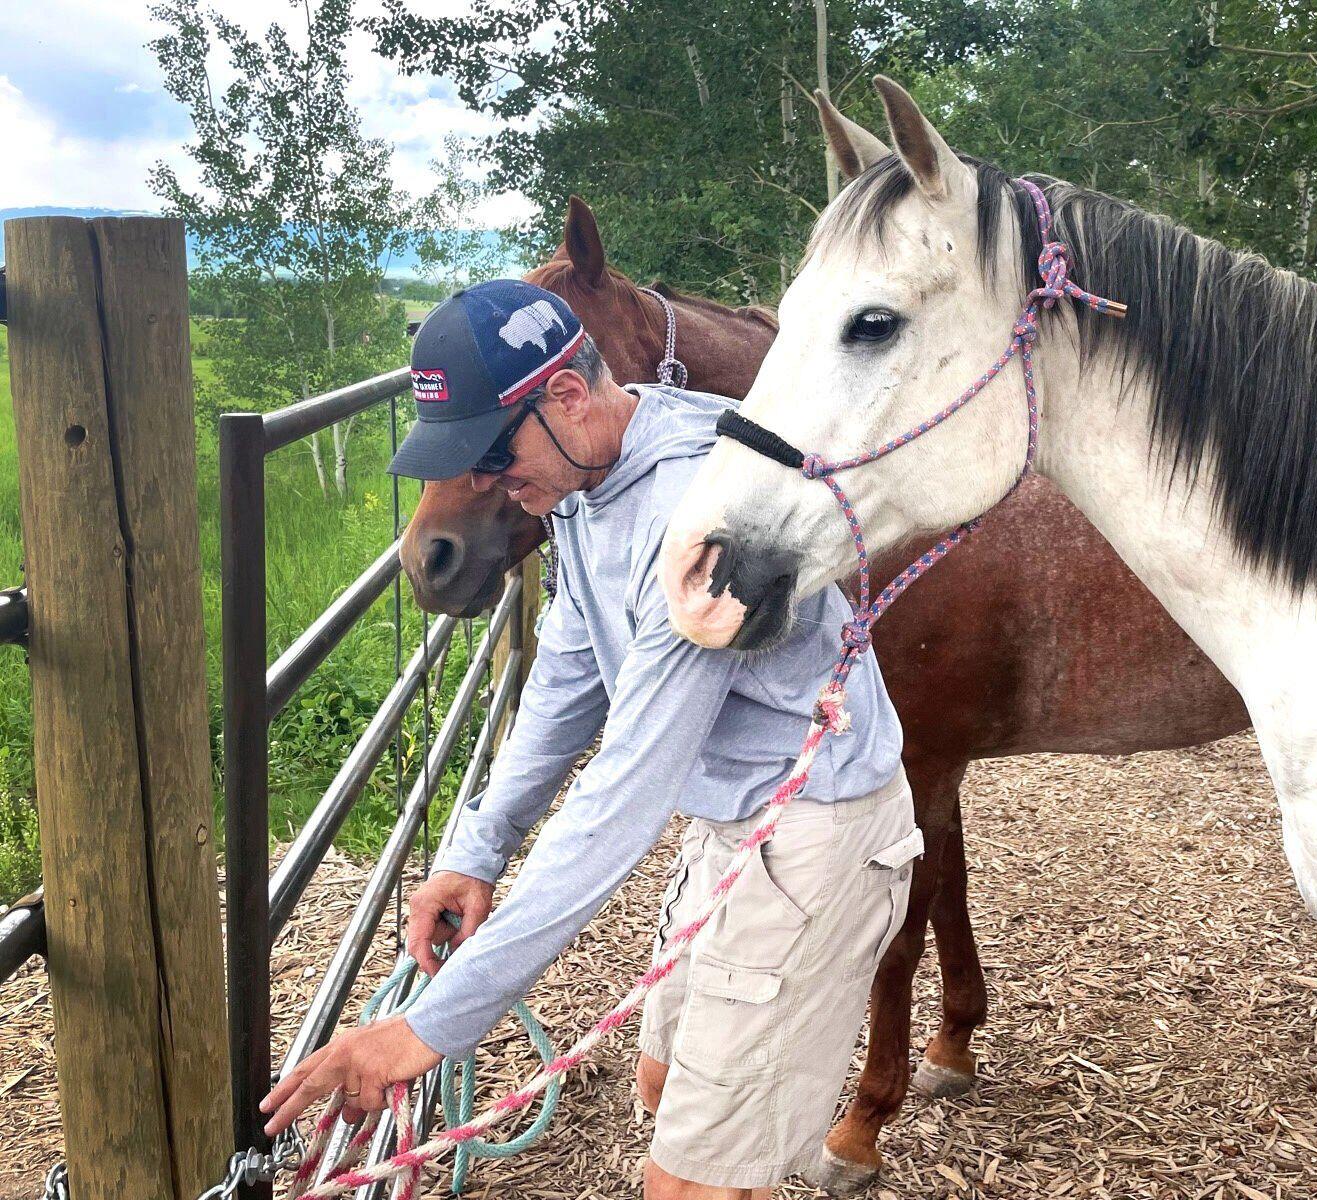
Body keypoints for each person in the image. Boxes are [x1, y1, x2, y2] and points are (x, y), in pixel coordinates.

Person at [261, 280, 921, 1199]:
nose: (487, 483)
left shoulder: (698, 516)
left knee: (694, 1185)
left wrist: (427, 1029)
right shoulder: (586, 479)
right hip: (731, 819)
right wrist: (476, 851)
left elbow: (620, 801)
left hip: (811, 831)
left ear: (567, 396)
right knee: (659, 1084)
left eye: (491, 453)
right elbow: (568, 673)